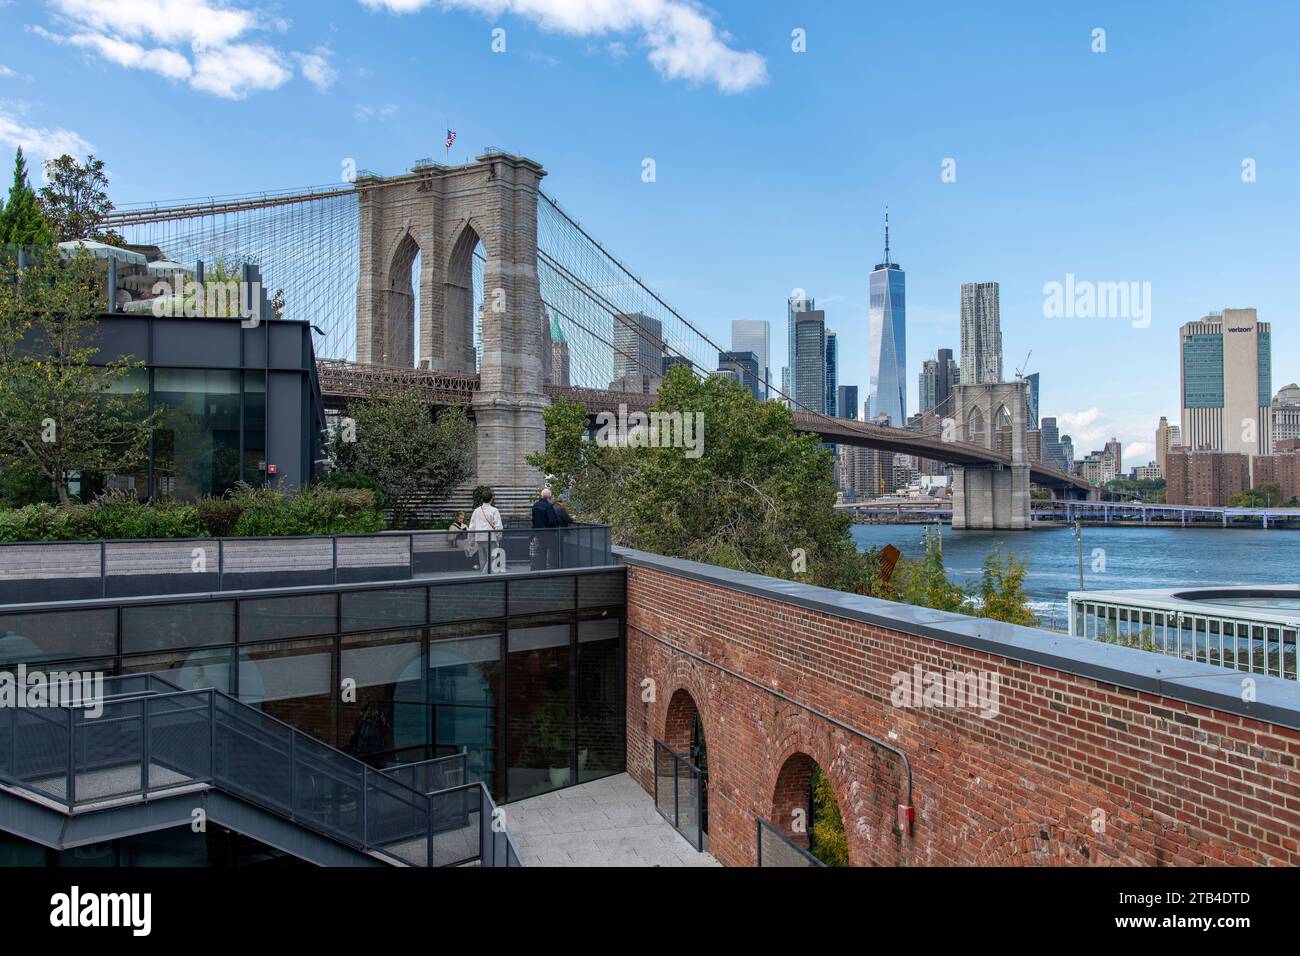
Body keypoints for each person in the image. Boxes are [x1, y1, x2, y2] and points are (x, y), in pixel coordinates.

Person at [467, 492, 504, 574]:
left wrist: (471, 541)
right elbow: (498, 526)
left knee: (482, 559)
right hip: (491, 537)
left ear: (482, 499)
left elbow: (471, 527)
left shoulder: (476, 511)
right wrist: (498, 537)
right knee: (492, 557)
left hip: (479, 537)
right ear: (491, 499)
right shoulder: (494, 510)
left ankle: (484, 576)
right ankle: (484, 575)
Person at [531, 487, 559, 570]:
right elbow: (552, 520)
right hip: (548, 532)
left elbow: (533, 519)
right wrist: (556, 528)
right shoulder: (548, 506)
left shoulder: (535, 505)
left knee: (540, 550)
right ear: (549, 497)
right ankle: (551, 568)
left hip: (538, 532)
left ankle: (540, 568)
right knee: (552, 550)